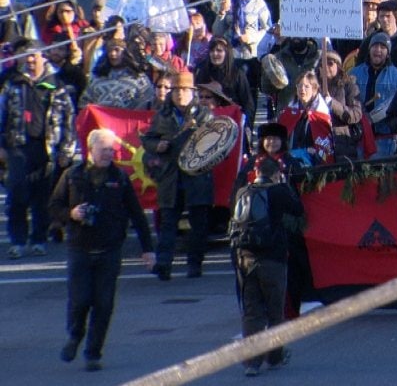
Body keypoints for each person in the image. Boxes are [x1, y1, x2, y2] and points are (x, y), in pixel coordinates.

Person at [50, 128, 155, 372]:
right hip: (80, 248)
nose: (110, 153)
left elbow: (137, 215)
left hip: (109, 249)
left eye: (112, 149)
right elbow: (53, 206)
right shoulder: (72, 175)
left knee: (104, 303)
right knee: (80, 300)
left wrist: (148, 250)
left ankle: (93, 352)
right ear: (91, 149)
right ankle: (76, 335)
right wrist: (71, 214)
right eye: (105, 149)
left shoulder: (119, 177)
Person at [2, 39, 77, 259]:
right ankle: (17, 240)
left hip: (47, 149)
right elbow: (1, 115)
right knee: (17, 194)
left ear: (43, 57)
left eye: (35, 55)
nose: (31, 60)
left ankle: (38, 239)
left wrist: (67, 150)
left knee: (42, 197)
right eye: (27, 56)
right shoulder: (13, 83)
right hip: (17, 146)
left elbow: (68, 119)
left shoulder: (56, 84)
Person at [232, 156, 303, 377]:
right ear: (275, 173)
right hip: (273, 257)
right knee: (275, 310)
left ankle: (252, 362)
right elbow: (297, 209)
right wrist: (284, 184)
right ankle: (274, 356)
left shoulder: (243, 192)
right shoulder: (278, 190)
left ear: (256, 172)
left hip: (245, 258)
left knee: (252, 311)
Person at [140, 71, 214, 279]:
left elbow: (216, 144)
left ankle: (195, 264)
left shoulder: (204, 115)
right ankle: (164, 263)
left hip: (197, 175)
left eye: (184, 90)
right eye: (177, 90)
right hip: (170, 175)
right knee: (168, 222)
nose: (180, 94)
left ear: (193, 92)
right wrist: (158, 145)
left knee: (198, 224)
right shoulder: (162, 115)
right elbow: (148, 140)